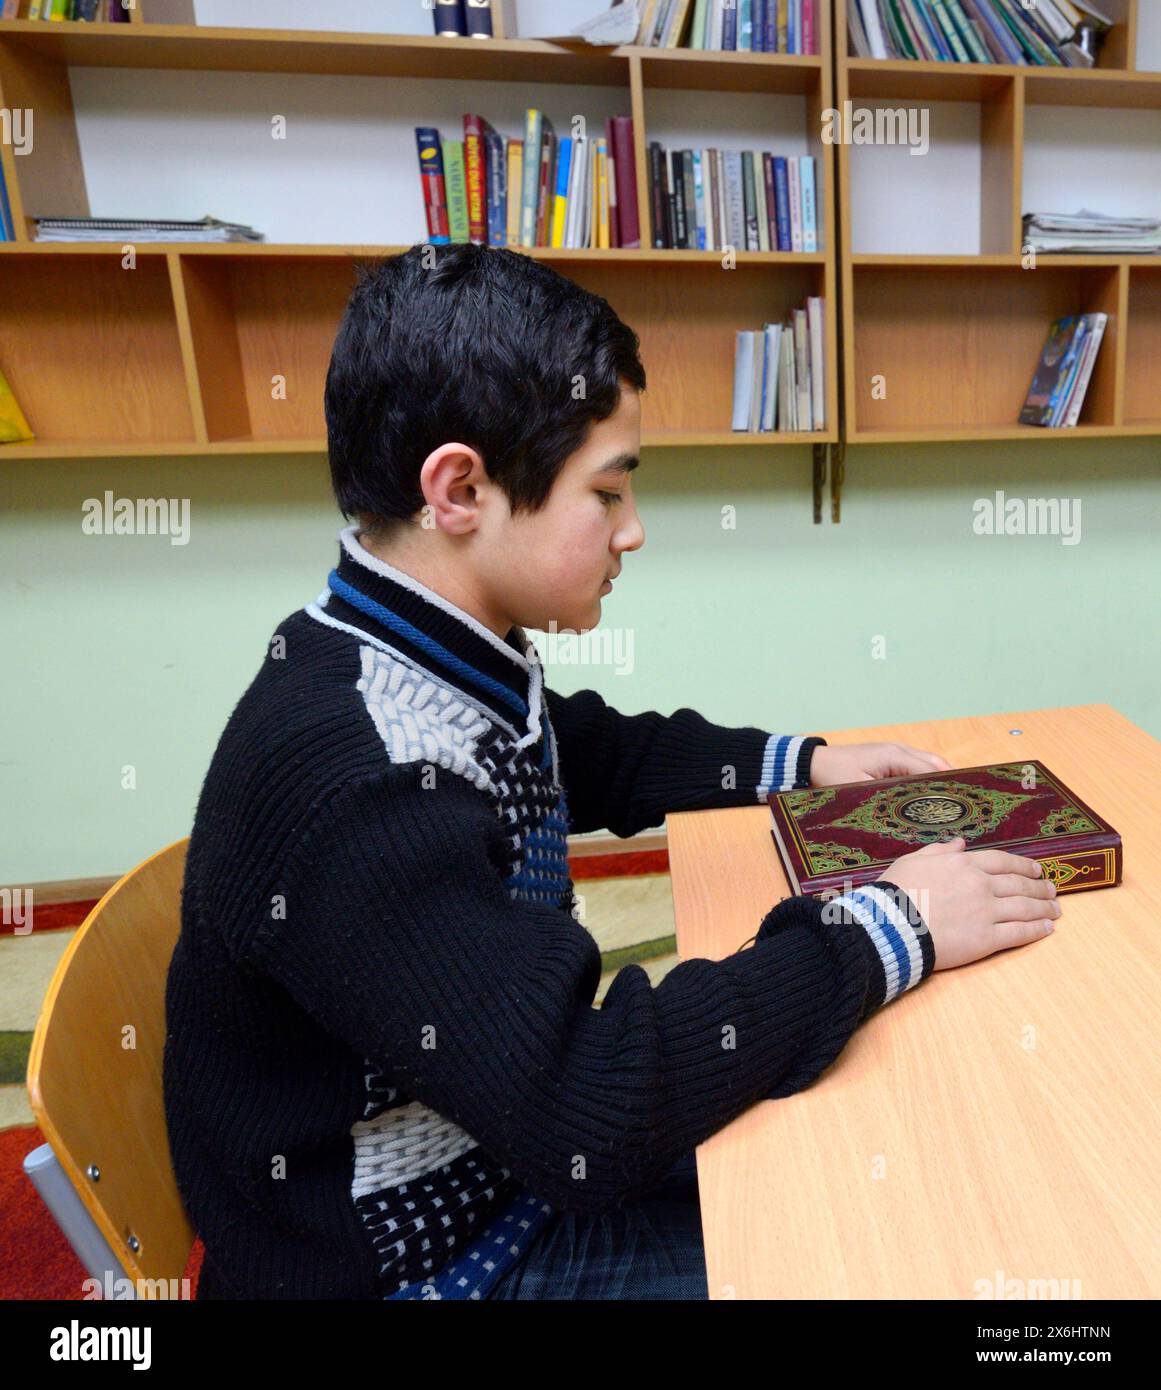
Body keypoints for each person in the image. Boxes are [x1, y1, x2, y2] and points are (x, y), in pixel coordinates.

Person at [163, 243, 1061, 1301]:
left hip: (510, 1146)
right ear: (461, 488)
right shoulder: (358, 775)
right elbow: (586, 1102)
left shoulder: (410, 647)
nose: (633, 530)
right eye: (608, 490)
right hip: (436, 1262)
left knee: (890, 1131)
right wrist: (887, 926)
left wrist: (801, 764)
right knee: (903, 1252)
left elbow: (577, 749)